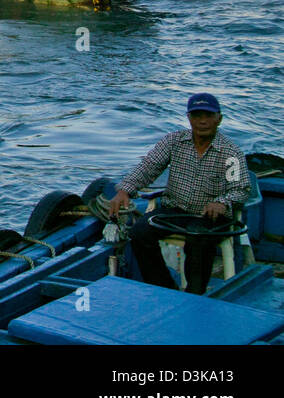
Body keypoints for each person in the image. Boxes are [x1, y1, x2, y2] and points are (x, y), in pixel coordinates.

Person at [106, 93, 249, 294]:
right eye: (197, 115)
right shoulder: (173, 141)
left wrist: (222, 202)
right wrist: (124, 190)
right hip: (174, 209)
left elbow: (240, 189)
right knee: (139, 232)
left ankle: (194, 294)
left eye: (208, 115)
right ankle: (164, 288)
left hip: (209, 217)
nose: (203, 121)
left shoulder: (230, 152)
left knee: (198, 237)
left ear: (219, 118)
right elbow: (149, 167)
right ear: (189, 118)